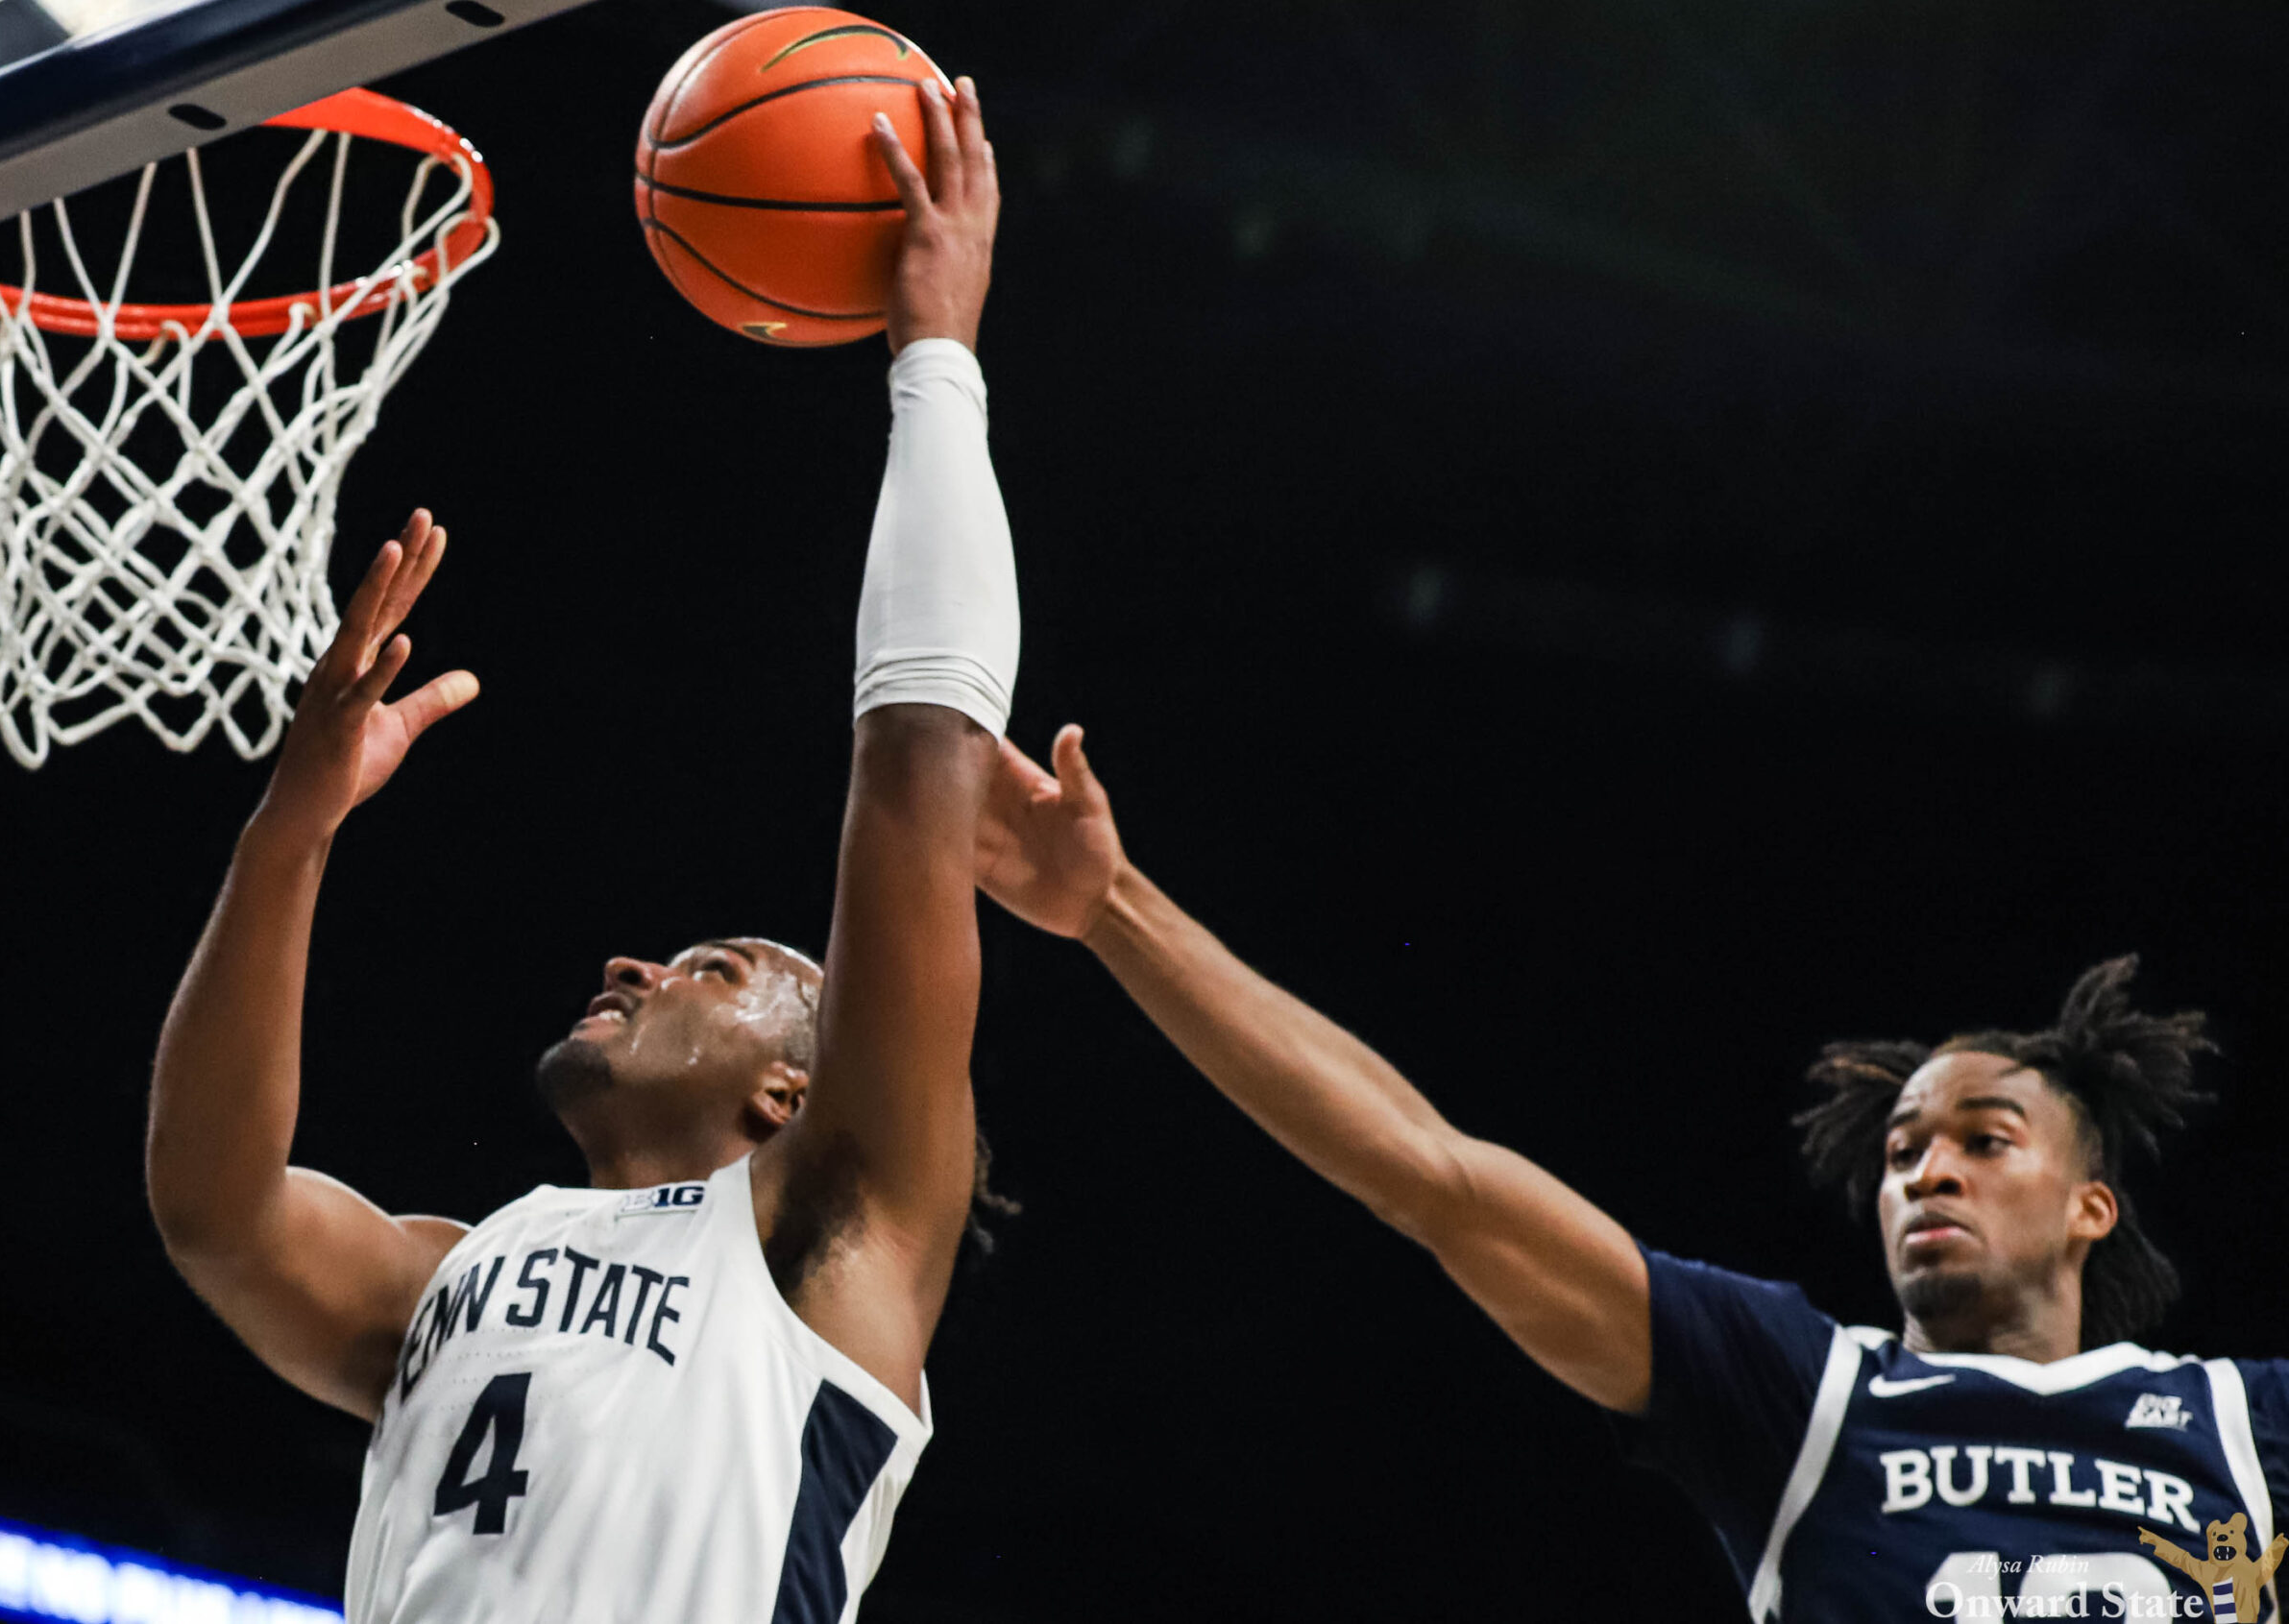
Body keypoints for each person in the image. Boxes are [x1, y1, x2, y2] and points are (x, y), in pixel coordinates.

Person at [147, 78, 1010, 1623]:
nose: (636, 962)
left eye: (717, 970)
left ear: (791, 1092)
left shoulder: (828, 1245)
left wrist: (935, 359)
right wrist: (294, 827)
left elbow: (914, 772)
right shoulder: (456, 1273)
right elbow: (217, 1203)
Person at [972, 724, 2288, 1622]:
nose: (1927, 1174)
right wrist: (1112, 911)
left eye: (1982, 1140)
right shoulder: (1803, 1393)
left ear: (2088, 1208)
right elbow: (1437, 1179)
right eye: (1900, 1155)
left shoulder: (2245, 1426)